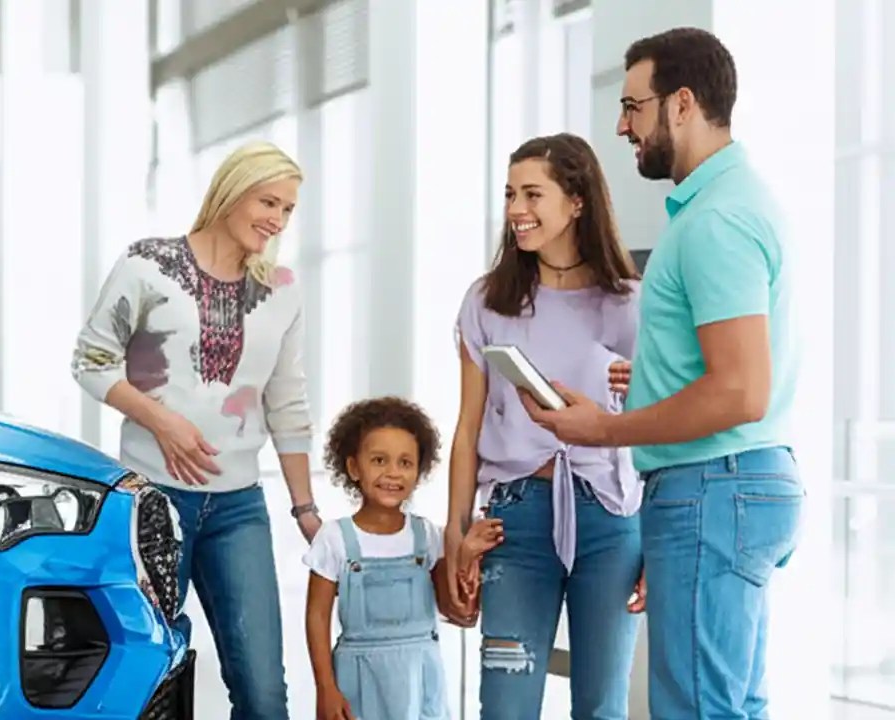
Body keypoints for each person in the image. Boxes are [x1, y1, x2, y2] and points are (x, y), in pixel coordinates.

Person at [518, 28, 803, 719]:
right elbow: (727, 372)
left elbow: (740, 390)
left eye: (632, 107)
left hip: (713, 484)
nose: (622, 125)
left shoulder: (716, 220)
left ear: (681, 104)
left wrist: (606, 429)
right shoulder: (731, 202)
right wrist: (647, 380)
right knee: (729, 704)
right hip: (736, 482)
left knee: (697, 709)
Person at [72, 140, 319, 720]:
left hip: (238, 508)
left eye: (287, 210)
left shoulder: (282, 289)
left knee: (264, 695)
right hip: (153, 501)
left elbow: (287, 401)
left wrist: (305, 509)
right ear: (231, 192)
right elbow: (91, 362)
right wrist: (164, 422)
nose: (276, 220)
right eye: (268, 202)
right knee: (148, 681)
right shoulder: (147, 264)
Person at [441, 133, 644, 718]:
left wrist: (654, 538)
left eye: (532, 194)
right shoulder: (486, 302)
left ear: (577, 200)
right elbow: (466, 429)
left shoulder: (631, 303)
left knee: (601, 707)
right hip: (515, 521)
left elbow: (658, 430)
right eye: (509, 194)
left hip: (610, 519)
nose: (515, 210)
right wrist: (456, 532)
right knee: (505, 706)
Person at [304, 396, 490, 720]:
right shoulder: (334, 539)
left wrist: (468, 553)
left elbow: (453, 607)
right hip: (357, 681)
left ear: (419, 471)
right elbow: (317, 618)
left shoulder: (429, 537)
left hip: (420, 682)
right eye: (379, 460)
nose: (393, 473)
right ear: (353, 467)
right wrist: (325, 688)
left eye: (405, 463)